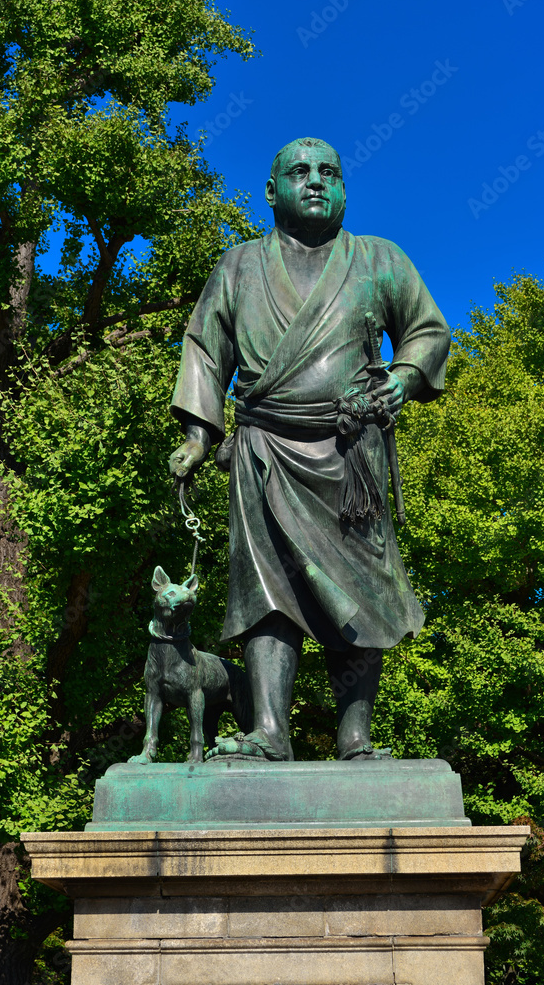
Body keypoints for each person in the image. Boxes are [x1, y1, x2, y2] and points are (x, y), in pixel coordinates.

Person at [168, 137, 450, 762]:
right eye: (300, 172)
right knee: (265, 589)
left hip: (353, 454)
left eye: (329, 172)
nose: (316, 181)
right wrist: (197, 437)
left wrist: (400, 381)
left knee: (364, 589)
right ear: (272, 192)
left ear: (345, 189)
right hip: (265, 447)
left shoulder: (379, 259)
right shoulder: (238, 266)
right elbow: (205, 350)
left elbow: (428, 331)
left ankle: (355, 738)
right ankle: (269, 731)